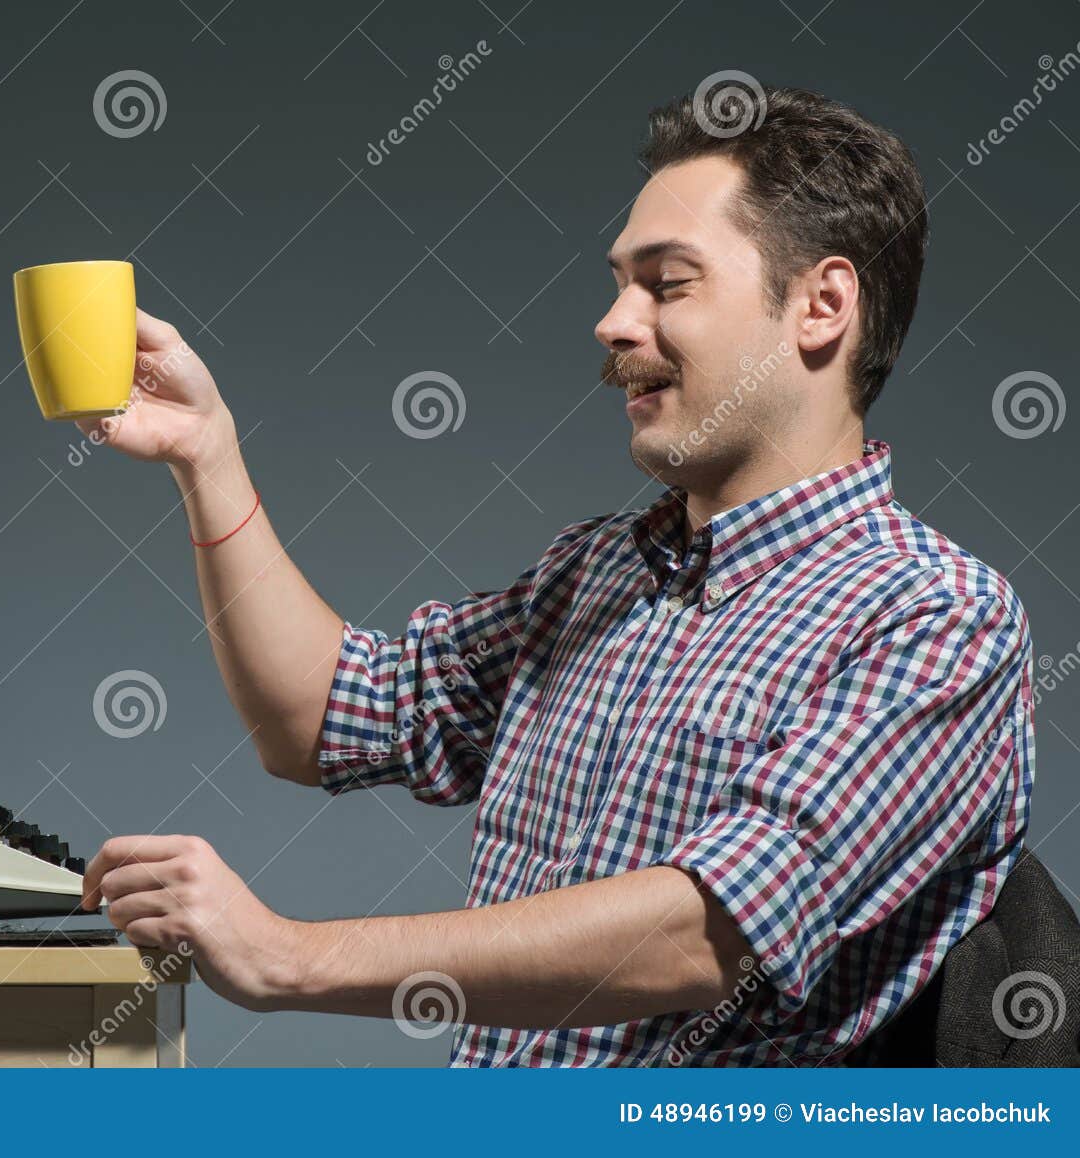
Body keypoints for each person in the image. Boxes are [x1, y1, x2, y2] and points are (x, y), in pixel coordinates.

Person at [77, 86, 1035, 1066]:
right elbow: (320, 719)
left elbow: (702, 931)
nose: (611, 324)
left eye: (665, 284)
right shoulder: (597, 573)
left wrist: (286, 958)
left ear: (822, 306)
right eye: (620, 284)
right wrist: (208, 456)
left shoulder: (935, 619)